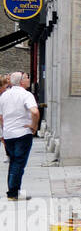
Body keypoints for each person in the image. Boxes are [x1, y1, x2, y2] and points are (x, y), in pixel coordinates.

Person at [1, 71, 39, 201]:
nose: (29, 79)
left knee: (13, 162)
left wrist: (3, 131)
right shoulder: (26, 95)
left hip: (8, 133)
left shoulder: (4, 96)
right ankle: (12, 192)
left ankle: (13, 190)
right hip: (22, 133)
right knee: (19, 163)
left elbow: (1, 117)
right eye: (27, 77)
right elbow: (34, 111)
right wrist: (34, 126)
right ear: (22, 81)